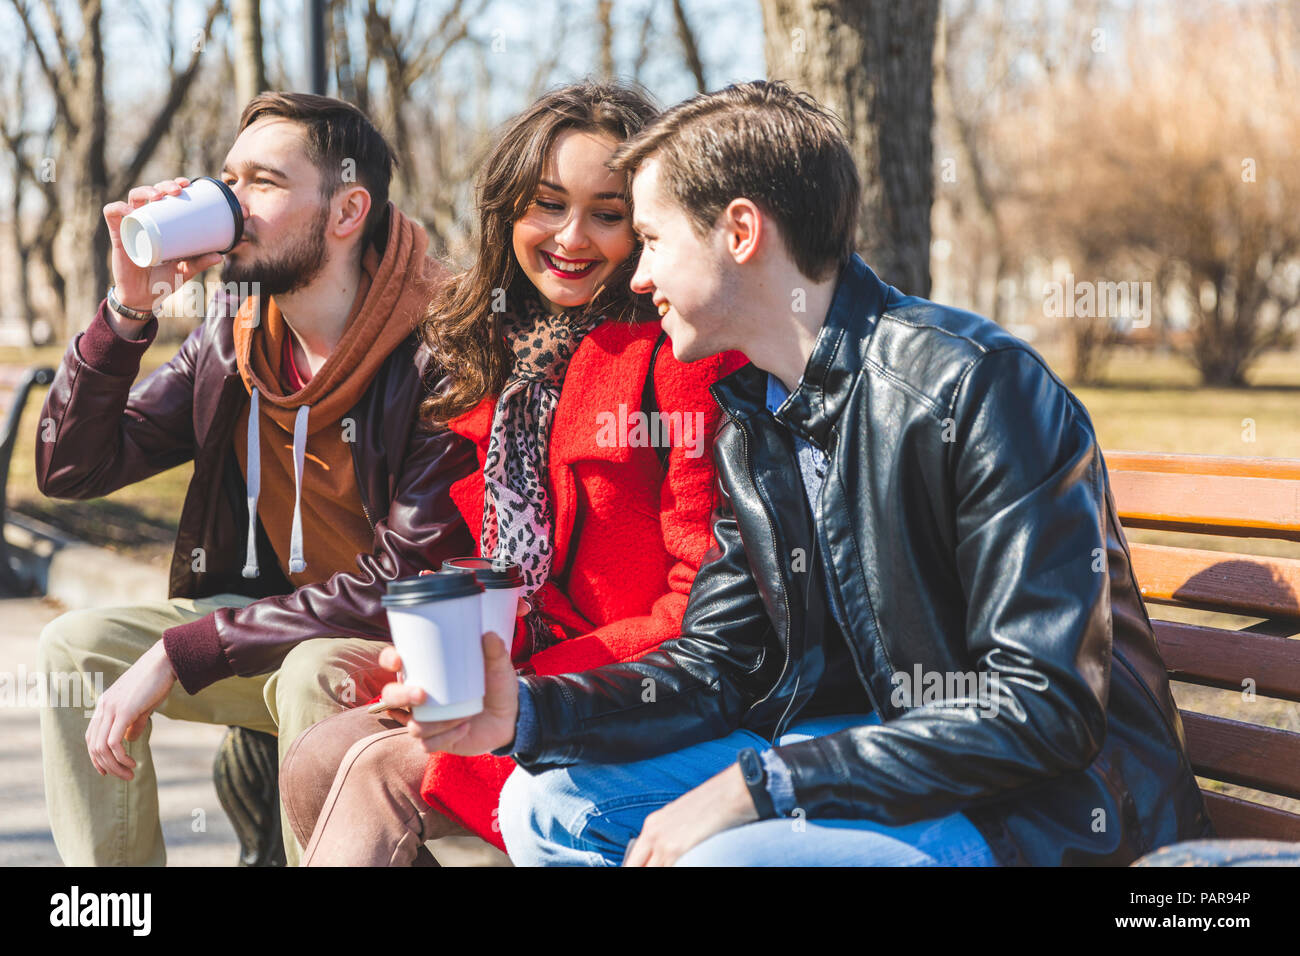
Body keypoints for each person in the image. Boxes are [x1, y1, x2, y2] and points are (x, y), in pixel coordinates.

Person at [381, 80, 1214, 867]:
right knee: (549, 805)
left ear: (740, 234)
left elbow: (1044, 708)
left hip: (1034, 810)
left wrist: (769, 785)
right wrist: (523, 713)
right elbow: (720, 663)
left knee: (733, 856)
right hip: (862, 754)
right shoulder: (756, 412)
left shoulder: (977, 388)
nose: (637, 276)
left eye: (654, 239)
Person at [277, 82, 746, 866]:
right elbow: (518, 561)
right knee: (317, 756)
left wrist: (522, 690)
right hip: (524, 663)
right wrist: (453, 647)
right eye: (548, 204)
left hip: (630, 697)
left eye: (607, 213)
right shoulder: (505, 348)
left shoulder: (682, 357)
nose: (572, 237)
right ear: (508, 211)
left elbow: (700, 606)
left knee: (371, 773)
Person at [34, 92, 476, 867]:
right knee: (78, 647)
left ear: (347, 212)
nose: (231, 206)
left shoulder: (441, 354)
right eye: (227, 181)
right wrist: (126, 311)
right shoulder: (236, 335)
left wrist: (186, 650)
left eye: (262, 184)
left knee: (313, 669)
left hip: (410, 651)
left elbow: (402, 583)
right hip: (280, 625)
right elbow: (73, 467)